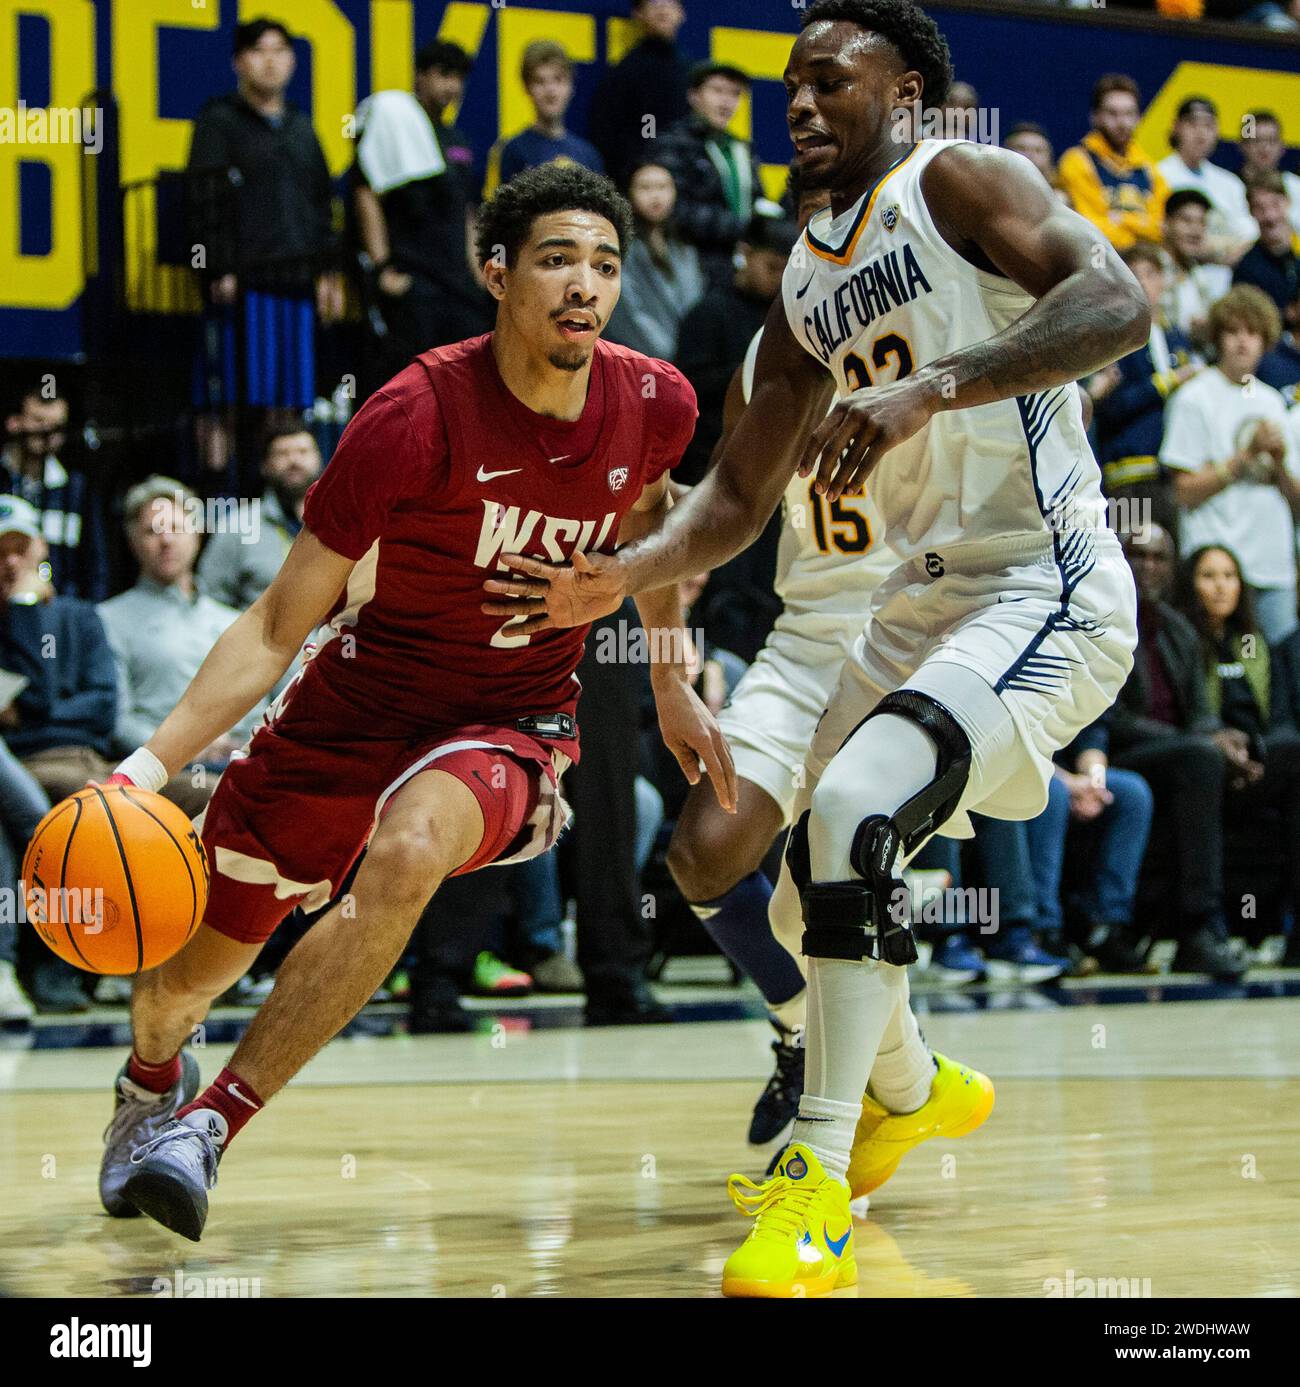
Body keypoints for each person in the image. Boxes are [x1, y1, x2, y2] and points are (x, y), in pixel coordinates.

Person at [486, 0, 1147, 1297]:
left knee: (847, 812)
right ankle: (906, 1087)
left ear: (905, 89)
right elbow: (732, 505)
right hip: (914, 600)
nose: (799, 99)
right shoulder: (800, 284)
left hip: (1041, 581)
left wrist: (937, 384)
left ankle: (819, 1177)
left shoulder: (958, 177)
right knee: (790, 895)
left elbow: (1116, 300)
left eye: (829, 78)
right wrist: (621, 577)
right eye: (790, 81)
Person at [95, 162, 730, 1243]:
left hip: (510, 717)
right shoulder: (411, 415)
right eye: (556, 260)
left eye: (606, 265)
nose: (585, 285)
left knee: (410, 849)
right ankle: (154, 1077)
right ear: (495, 274)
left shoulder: (655, 403)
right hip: (356, 704)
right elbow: (270, 625)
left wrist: (668, 672)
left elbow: (659, 529)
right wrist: (140, 774)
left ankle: (209, 1125)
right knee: (181, 979)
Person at [667, 169, 899, 1151]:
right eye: (809, 225)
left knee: (842, 887)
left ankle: (859, 1109)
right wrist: (671, 657)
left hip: (916, 637)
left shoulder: (936, 333)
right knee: (703, 847)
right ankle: (795, 1026)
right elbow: (701, 513)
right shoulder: (763, 361)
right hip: (806, 635)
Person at [186, 17, 343, 484]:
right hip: (241, 286)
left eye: (280, 49)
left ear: (293, 61)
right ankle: (222, 497)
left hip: (294, 287)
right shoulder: (219, 121)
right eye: (259, 50)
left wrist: (328, 276)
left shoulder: (301, 128)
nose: (270, 60)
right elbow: (203, 199)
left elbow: (321, 207)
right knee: (225, 400)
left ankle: (283, 500)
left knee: (288, 403)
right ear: (239, 62)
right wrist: (219, 267)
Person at [1109, 525, 1246, 981]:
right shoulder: (1102, 621)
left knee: (1272, 757)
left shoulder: (1178, 628)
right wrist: (1197, 743)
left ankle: (1272, 928)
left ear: (1172, 569)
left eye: (1159, 558)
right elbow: (1112, 719)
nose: (1148, 567)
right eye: (1138, 556)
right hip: (1117, 756)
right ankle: (1197, 928)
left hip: (1181, 755)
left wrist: (1229, 737)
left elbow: (1202, 714)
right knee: (1201, 759)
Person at [98, 478, 268, 819]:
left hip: (240, 758)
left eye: (176, 527)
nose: (166, 540)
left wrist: (238, 743)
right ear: (133, 541)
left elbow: (260, 700)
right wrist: (186, 750)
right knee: (224, 794)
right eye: (152, 531)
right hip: (166, 769)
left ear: (197, 533)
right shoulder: (108, 619)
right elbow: (118, 720)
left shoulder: (234, 620)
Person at [1175, 544, 1300, 946]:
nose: (1220, 587)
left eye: (1229, 576)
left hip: (1259, 763)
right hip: (1205, 765)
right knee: (1208, 760)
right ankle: (1207, 923)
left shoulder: (1254, 644)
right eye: (1208, 576)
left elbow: (1279, 720)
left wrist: (1257, 753)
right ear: (1190, 584)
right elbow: (1187, 719)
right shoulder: (1182, 641)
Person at [1161, 285, 1300, 645]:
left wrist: (1281, 464)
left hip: (1272, 563)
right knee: (1219, 678)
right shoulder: (1194, 398)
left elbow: (1296, 502)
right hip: (1217, 566)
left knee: (1276, 681)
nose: (1243, 342)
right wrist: (1246, 456)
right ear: (1217, 337)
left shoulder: (1272, 402)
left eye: (1253, 333)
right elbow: (1182, 492)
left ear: (1266, 340)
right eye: (1234, 331)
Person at [352, 41, 492, 377]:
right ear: (420, 77)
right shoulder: (391, 123)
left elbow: (468, 213)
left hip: (459, 287)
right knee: (413, 387)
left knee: (468, 385)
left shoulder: (460, 142)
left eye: (458, 78)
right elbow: (368, 194)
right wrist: (383, 268)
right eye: (443, 75)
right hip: (414, 283)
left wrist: (477, 276)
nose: (451, 86)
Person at [1088, 241, 1199, 506]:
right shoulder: (1114, 339)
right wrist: (1167, 381)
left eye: (1150, 274)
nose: (1142, 282)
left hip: (1174, 470)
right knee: (1134, 545)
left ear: (1164, 281)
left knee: (1169, 547)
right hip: (1128, 472)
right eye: (1134, 275)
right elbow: (1112, 406)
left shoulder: (1178, 339)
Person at [655, 61, 762, 290]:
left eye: (734, 93)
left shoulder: (742, 148)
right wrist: (743, 227)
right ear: (694, 96)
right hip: (689, 265)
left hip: (740, 268)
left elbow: (756, 200)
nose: (726, 101)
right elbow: (674, 211)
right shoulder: (673, 143)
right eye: (717, 91)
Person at [2, 385, 107, 601]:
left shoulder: (75, 491)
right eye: (38, 422)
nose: (47, 434)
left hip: (57, 614)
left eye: (56, 427)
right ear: (14, 422)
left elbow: (95, 567)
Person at [197, 427, 318, 611]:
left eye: (303, 452)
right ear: (265, 466)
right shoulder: (237, 526)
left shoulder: (344, 522)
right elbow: (209, 605)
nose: (294, 460)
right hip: (260, 637)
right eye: (282, 454)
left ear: (319, 459)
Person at [600, 161, 705, 360]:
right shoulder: (619, 249)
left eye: (663, 187)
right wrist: (670, 359)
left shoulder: (684, 247)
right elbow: (629, 317)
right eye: (645, 187)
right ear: (629, 193)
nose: (655, 196)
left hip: (687, 360)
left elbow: (695, 306)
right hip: (644, 360)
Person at [1057, 74, 1168, 252]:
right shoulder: (1077, 161)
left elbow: (1160, 230)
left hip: (1145, 265)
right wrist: (1139, 225)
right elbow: (1091, 228)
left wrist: (1121, 219)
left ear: (1139, 117)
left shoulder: (1149, 168)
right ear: (1095, 117)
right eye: (1112, 113)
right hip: (1096, 259)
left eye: (1129, 113)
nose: (1122, 122)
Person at [587, 0, 691, 188]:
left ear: (681, 12)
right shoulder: (625, 73)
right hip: (637, 189)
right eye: (654, 1)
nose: (662, 7)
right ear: (638, 13)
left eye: (669, 1)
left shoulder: (692, 74)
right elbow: (640, 128)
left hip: (687, 192)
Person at [483, 41, 603, 197]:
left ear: (571, 86)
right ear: (527, 87)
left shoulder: (589, 155)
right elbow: (498, 213)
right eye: (540, 81)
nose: (551, 91)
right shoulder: (511, 151)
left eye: (558, 80)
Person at [1156, 97, 1255, 266]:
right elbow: (1158, 232)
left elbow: (1250, 235)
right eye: (1193, 124)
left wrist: (1216, 253)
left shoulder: (1230, 183)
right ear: (1176, 127)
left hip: (1225, 277)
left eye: (1208, 126)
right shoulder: (1158, 175)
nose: (1201, 134)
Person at [1233, 173, 1300, 326]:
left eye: (1275, 204)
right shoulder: (1247, 269)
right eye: (1260, 208)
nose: (1270, 216)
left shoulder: (1297, 257)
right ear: (1250, 212)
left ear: (1288, 203)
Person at [1238, 111, 1300, 236]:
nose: (1264, 147)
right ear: (1243, 145)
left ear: (1282, 147)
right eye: (1257, 140)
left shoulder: (1296, 186)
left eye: (1271, 141)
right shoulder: (1229, 184)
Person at [1003, 122, 1066, 204]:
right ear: (1005, 151)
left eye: (1038, 150)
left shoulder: (1061, 200)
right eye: (1022, 148)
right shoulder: (987, 191)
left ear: (1049, 158)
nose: (1030, 155)